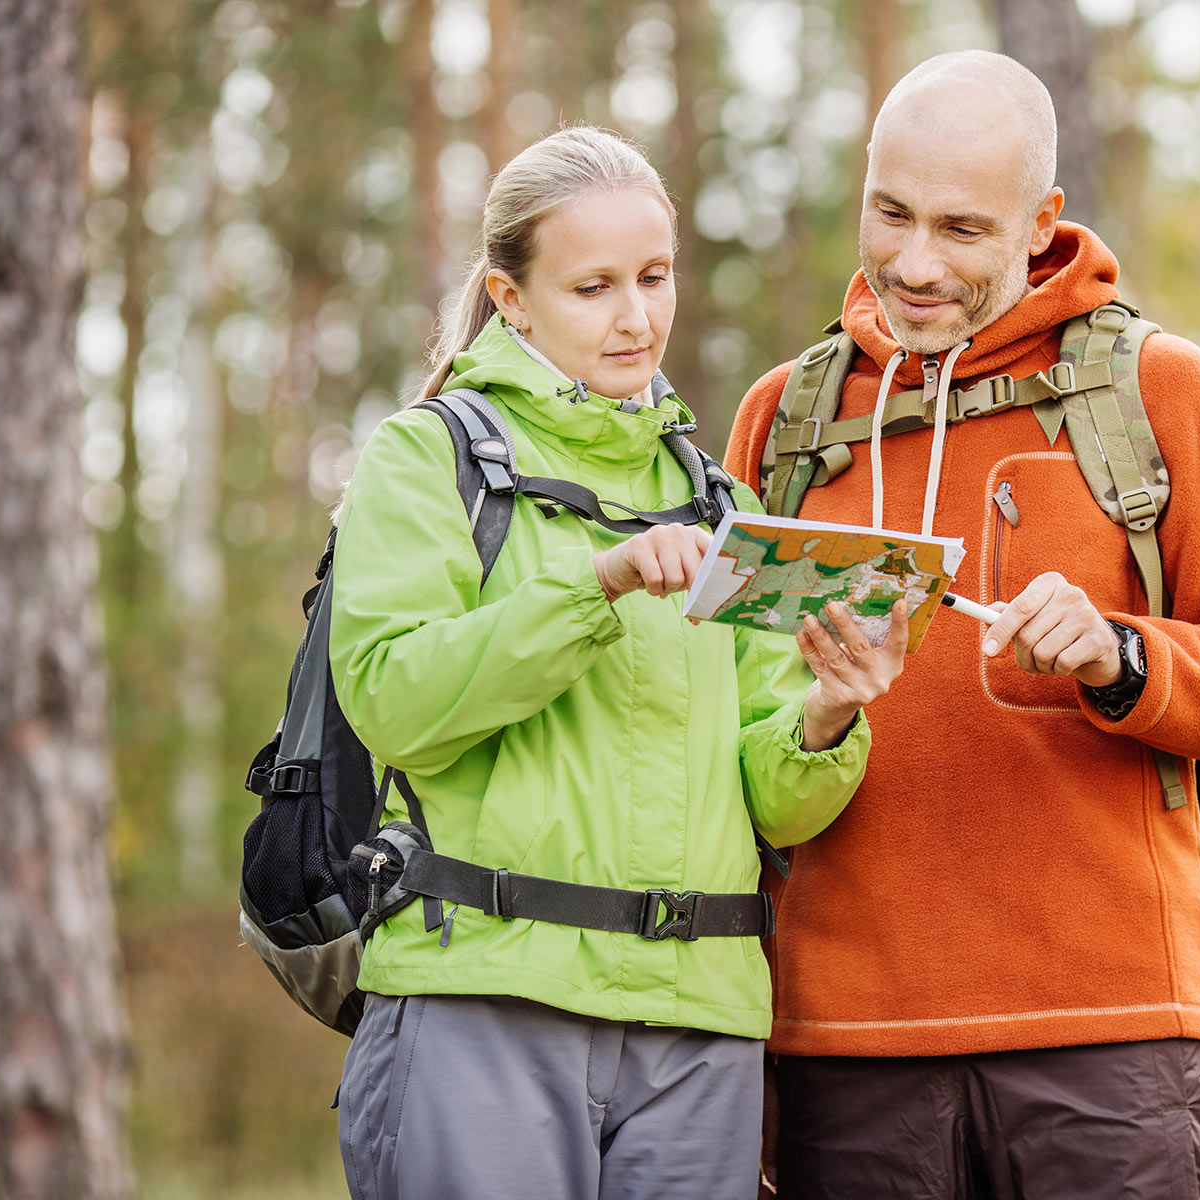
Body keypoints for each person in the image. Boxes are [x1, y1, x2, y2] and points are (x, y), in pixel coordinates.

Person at [726, 52, 1200, 1198]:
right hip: (843, 1054)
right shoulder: (784, 421)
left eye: (962, 229)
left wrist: (1126, 656)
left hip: (1110, 1044)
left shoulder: (1158, 390)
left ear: (1041, 221)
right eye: (892, 214)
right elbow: (715, 732)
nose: (915, 264)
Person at [329, 125, 907, 1200]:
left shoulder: (722, 502)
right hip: (484, 1000)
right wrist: (595, 586)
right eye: (593, 286)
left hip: (699, 1031)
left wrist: (830, 709)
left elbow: (772, 803)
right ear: (511, 298)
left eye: (653, 277)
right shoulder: (427, 456)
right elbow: (396, 704)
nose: (637, 317)